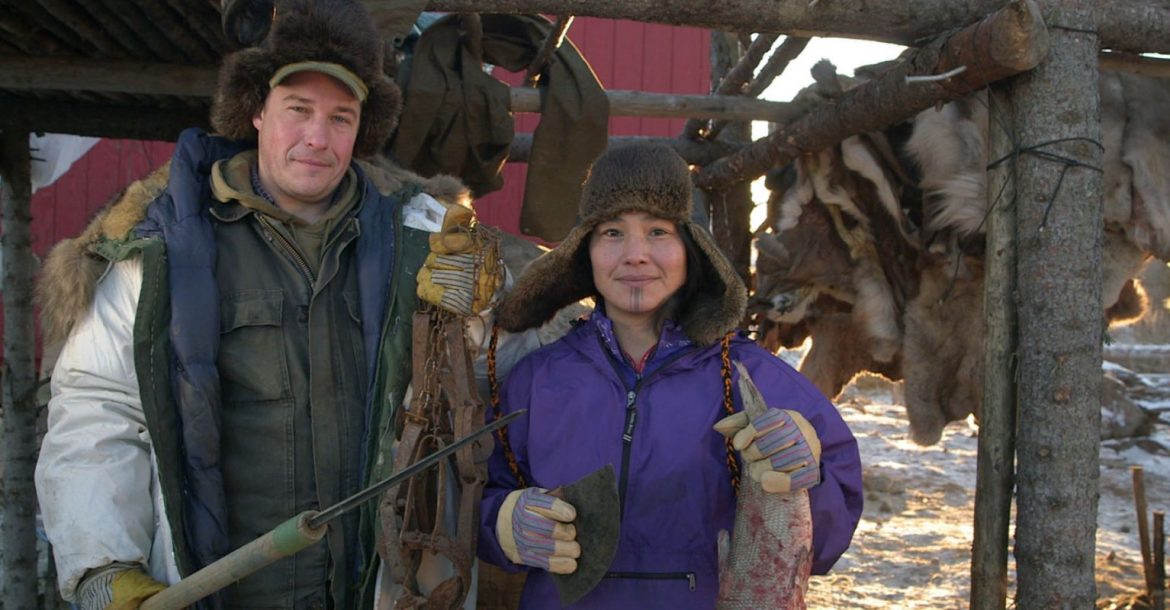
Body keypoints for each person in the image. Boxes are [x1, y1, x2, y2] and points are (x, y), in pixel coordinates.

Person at [34, 1, 499, 608]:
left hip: (376, 587)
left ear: (363, 128)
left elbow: (481, 385)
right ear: (256, 110)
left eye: (340, 118)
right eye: (298, 111)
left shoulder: (426, 237)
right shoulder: (160, 246)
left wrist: (476, 313)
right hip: (220, 587)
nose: (317, 138)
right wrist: (101, 564)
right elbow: (99, 406)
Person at [478, 143, 863, 608]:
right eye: (613, 232)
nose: (635, 255)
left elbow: (823, 548)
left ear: (691, 249)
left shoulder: (757, 380)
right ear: (587, 253)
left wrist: (808, 478)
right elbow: (474, 494)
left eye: (658, 231)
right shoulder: (537, 381)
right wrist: (504, 523)